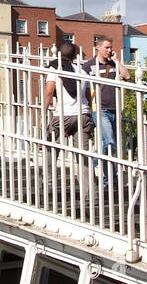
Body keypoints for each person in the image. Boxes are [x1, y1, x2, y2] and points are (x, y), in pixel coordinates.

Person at [81, 36, 130, 185]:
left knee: (110, 146)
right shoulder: (89, 66)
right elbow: (83, 87)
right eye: (107, 48)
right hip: (99, 109)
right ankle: (90, 160)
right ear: (98, 48)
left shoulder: (113, 64)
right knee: (109, 142)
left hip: (115, 109)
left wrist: (117, 61)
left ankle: (110, 179)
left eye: (111, 47)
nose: (110, 50)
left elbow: (127, 76)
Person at [43, 41, 95, 142]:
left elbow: (49, 93)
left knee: (50, 148)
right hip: (83, 114)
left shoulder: (55, 69)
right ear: (74, 56)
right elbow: (89, 97)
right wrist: (91, 114)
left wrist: (42, 116)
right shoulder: (83, 72)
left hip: (64, 115)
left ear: (58, 53)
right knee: (82, 153)